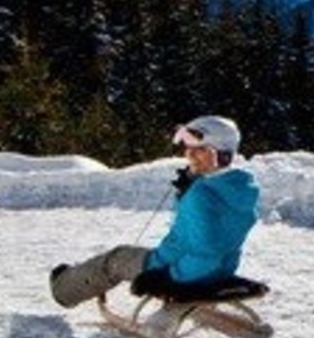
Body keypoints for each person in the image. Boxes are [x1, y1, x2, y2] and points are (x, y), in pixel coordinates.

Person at [48, 116, 260, 310]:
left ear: (221, 155)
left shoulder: (200, 196)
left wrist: (167, 277)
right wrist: (191, 186)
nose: (189, 155)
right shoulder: (239, 188)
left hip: (175, 268)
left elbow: (207, 250)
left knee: (115, 259)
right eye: (188, 149)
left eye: (200, 150)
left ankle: (63, 290)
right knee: (130, 255)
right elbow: (214, 233)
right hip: (220, 270)